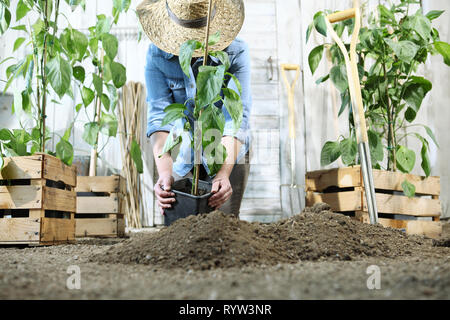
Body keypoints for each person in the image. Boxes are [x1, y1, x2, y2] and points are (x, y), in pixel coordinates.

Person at [137, 0, 252, 217]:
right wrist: (164, 173)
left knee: (222, 226)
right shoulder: (158, 55)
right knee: (180, 225)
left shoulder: (235, 52)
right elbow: (160, 117)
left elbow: (236, 120)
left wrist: (223, 173)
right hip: (188, 151)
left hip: (227, 150)